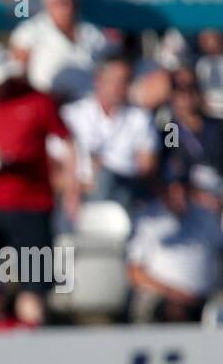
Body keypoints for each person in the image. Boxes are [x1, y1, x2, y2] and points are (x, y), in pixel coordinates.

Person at [0, 42, 79, 325]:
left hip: (32, 208)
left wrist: (71, 190)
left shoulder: (37, 102)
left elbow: (67, 142)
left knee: (33, 297)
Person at [62, 56, 158, 210]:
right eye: (115, 80)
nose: (120, 87)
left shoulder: (142, 118)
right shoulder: (72, 115)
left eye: (126, 81)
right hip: (79, 194)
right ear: (98, 80)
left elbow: (146, 167)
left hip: (124, 191)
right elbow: (56, 166)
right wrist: (77, 186)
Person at [126, 170, 223, 322]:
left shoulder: (206, 216)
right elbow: (134, 272)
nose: (178, 194)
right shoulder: (148, 220)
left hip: (204, 302)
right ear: (163, 191)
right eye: (172, 189)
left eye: (182, 188)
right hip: (160, 299)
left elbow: (219, 249)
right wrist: (172, 293)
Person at [9, 0, 110, 102]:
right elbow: (17, 76)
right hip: (49, 106)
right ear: (47, 1)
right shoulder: (29, 32)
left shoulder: (94, 34)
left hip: (88, 108)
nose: (68, 4)